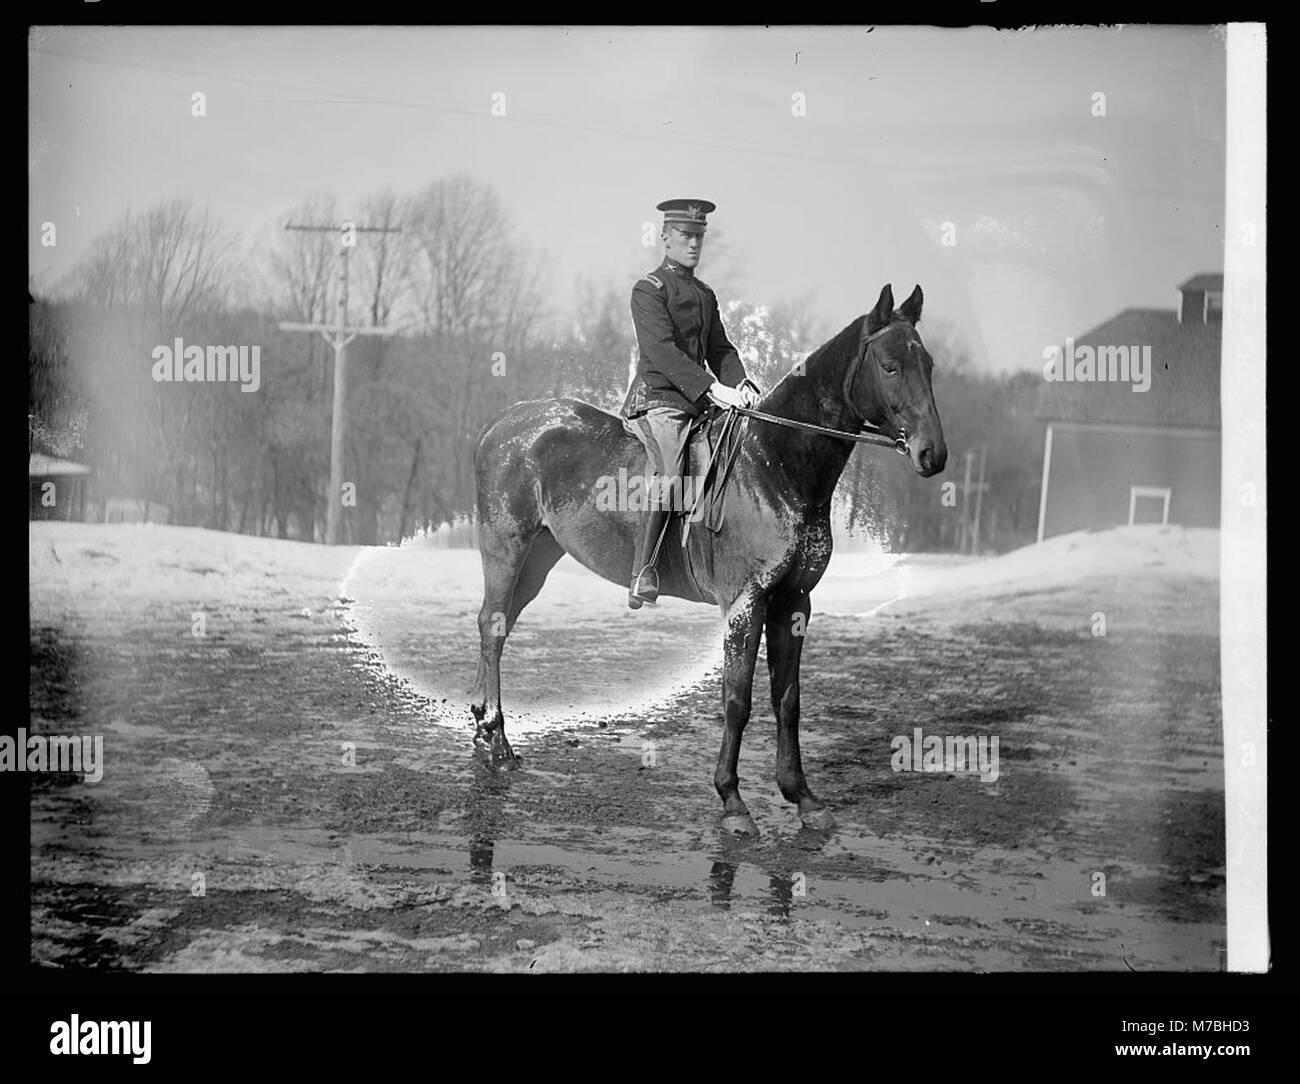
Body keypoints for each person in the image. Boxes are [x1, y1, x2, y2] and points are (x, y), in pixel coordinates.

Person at [620, 198, 760, 609]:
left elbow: (721, 349)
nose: (693, 243)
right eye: (685, 236)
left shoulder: (704, 293)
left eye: (699, 236)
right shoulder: (649, 289)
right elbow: (662, 352)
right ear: (665, 238)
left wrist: (742, 382)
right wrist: (713, 389)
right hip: (659, 401)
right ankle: (642, 571)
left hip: (699, 403)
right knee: (669, 473)